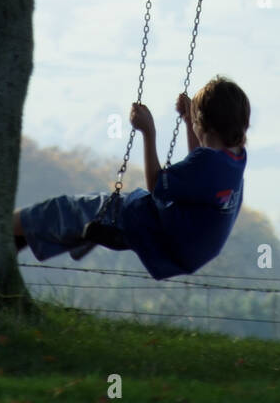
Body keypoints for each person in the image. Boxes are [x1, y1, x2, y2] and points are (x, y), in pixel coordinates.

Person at [14, 76, 249, 280]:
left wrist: (148, 132)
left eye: (197, 121)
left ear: (206, 126)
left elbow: (157, 185)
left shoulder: (207, 164)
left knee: (68, 209)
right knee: (91, 209)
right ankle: (69, 234)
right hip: (188, 249)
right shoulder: (234, 159)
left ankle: (9, 228)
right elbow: (201, 162)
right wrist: (190, 121)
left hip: (154, 231)